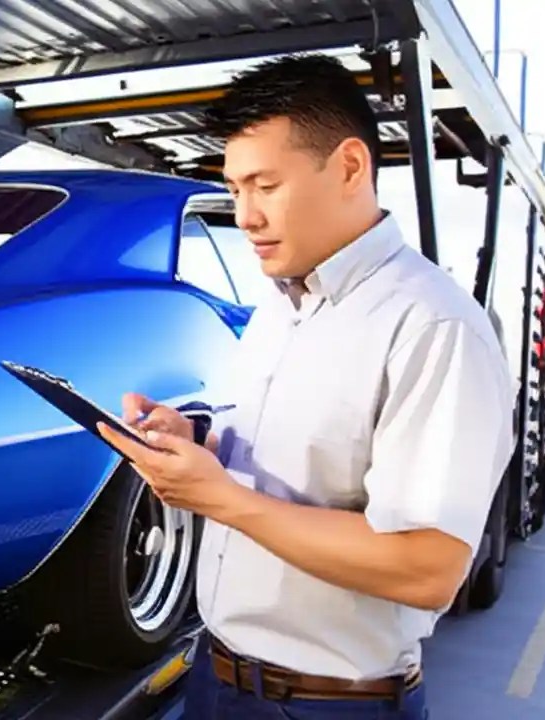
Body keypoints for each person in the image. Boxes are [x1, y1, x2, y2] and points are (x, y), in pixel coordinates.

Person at [96, 54, 515, 719]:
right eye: (234, 189)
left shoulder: (434, 325)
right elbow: (301, 454)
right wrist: (197, 441)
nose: (246, 215)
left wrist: (223, 498)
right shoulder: (280, 307)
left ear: (350, 166)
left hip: (326, 705)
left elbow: (427, 567)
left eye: (264, 185)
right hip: (216, 676)